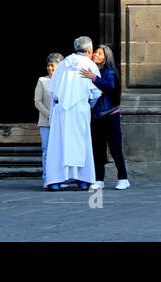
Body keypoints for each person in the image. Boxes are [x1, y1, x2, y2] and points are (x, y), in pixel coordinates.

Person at [43, 36, 101, 191]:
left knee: (59, 145)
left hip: (62, 110)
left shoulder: (63, 64)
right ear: (89, 50)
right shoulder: (90, 65)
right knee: (81, 143)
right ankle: (83, 179)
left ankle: (56, 180)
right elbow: (96, 91)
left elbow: (53, 88)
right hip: (80, 109)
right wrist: (90, 105)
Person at [81, 44, 130, 190]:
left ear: (106, 57)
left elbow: (110, 86)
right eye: (95, 52)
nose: (95, 54)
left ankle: (123, 178)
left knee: (115, 148)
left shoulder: (109, 72)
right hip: (97, 117)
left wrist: (93, 77)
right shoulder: (94, 70)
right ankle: (99, 179)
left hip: (110, 116)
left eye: (99, 53)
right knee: (98, 149)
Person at [34, 53, 61, 179]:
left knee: (60, 152)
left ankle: (60, 177)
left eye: (53, 66)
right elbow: (37, 101)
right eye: (48, 66)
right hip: (46, 122)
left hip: (61, 121)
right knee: (47, 151)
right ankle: (47, 177)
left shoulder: (65, 82)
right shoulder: (42, 81)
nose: (50, 68)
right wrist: (49, 114)